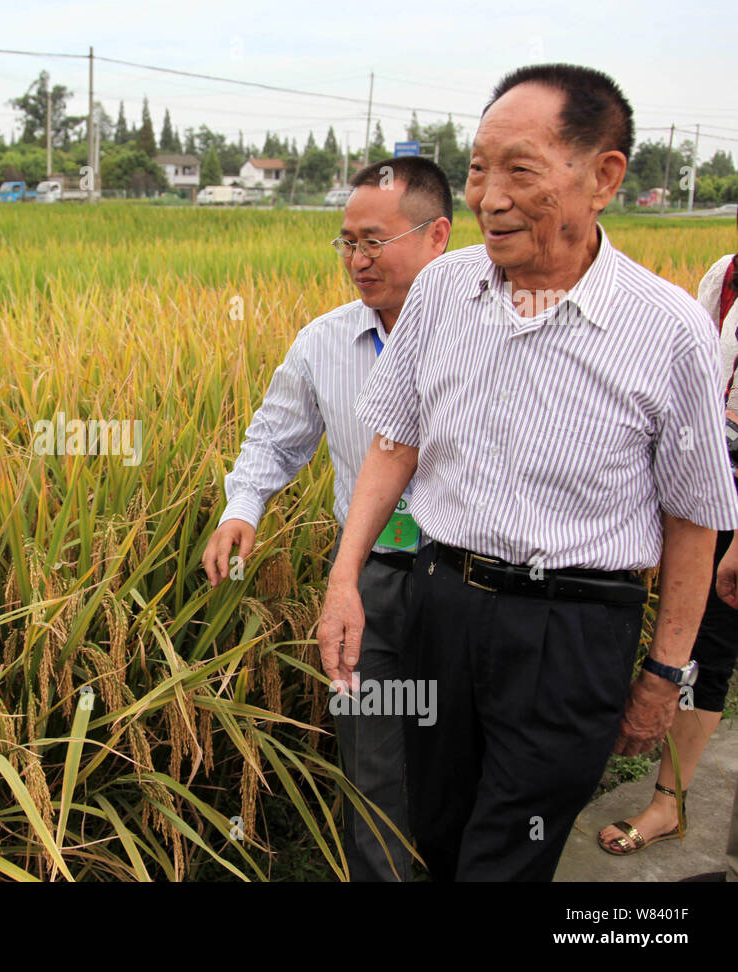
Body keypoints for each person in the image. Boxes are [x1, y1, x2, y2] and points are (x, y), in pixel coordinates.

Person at [315, 63, 738, 881]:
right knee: (435, 833)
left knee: (508, 856)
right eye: (478, 167)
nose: (488, 195)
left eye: (521, 169)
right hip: (441, 605)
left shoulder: (668, 330)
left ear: (603, 176)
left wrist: (664, 673)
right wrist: (344, 579)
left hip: (570, 630)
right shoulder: (442, 289)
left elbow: (693, 517)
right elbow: (394, 442)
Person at [202, 157, 453, 880]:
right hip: (366, 577)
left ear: (436, 236)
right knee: (370, 756)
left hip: (466, 578)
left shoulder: (490, 336)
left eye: (373, 241)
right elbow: (275, 437)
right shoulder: (323, 342)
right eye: (346, 242)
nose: (356, 259)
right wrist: (242, 510)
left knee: (459, 753)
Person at [598, 223, 738, 855]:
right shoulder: (726, 275)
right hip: (714, 479)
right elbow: (699, 388)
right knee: (699, 642)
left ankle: (665, 805)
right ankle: (668, 801)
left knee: (713, 643)